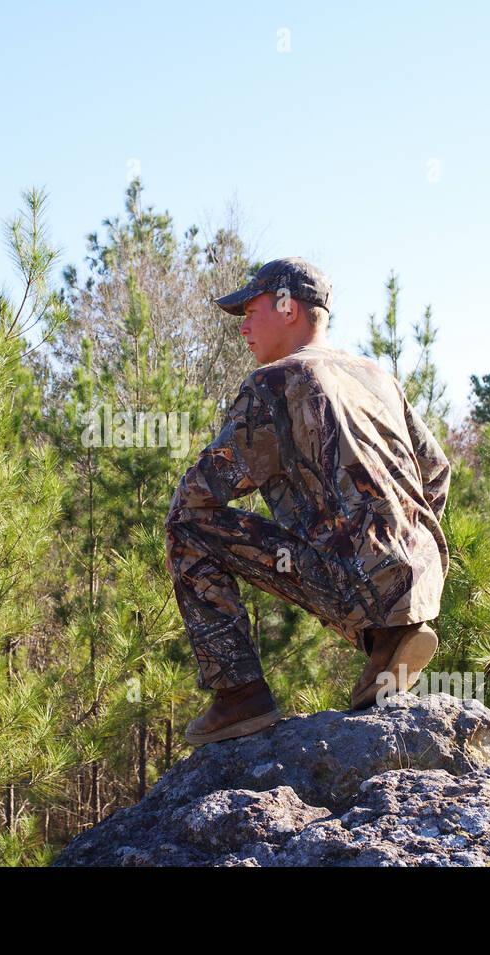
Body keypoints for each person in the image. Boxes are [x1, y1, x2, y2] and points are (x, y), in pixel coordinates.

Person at [165, 257, 451, 745]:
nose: (244, 329)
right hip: (422, 578)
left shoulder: (277, 382)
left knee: (184, 524)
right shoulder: (376, 377)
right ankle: (390, 635)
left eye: (251, 312)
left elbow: (201, 492)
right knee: (351, 541)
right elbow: (438, 472)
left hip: (351, 580)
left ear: (288, 308)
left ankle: (240, 694)